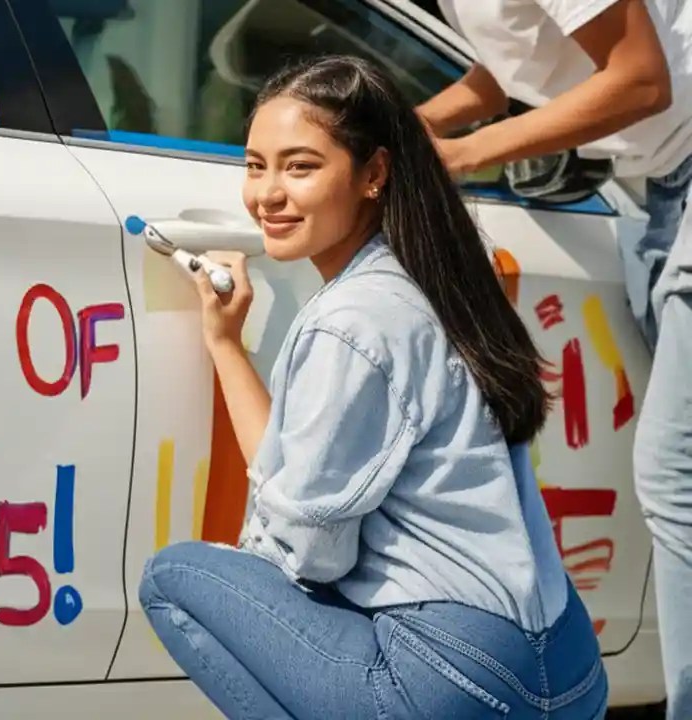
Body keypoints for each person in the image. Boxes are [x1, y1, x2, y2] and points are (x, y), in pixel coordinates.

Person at [139, 55, 607, 719]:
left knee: (177, 578)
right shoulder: (445, 285)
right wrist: (225, 344)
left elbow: (308, 552)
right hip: (567, 672)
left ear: (374, 174)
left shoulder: (351, 318)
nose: (267, 194)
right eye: (254, 166)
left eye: (300, 167)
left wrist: (244, 558)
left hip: (455, 678)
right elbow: (295, 475)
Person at [416, 2, 692, 716]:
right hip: (666, 184)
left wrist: (469, 153)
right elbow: (518, 59)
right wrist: (424, 123)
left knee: (675, 472)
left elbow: (638, 81)